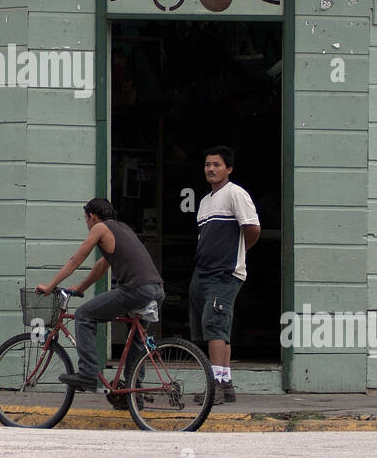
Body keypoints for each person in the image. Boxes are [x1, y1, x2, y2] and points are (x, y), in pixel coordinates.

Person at [36, 198, 165, 404]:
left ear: (92, 217)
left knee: (83, 315)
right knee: (136, 342)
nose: (87, 224)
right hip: (156, 290)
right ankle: (134, 395)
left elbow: (75, 261)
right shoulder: (122, 229)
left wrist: (50, 286)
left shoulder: (99, 228)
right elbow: (102, 266)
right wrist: (80, 288)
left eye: (86, 219)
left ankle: (88, 374)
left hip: (136, 289)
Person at [190, 146, 260, 403]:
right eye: (208, 164)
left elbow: (252, 229)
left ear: (228, 169)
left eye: (217, 165)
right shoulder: (205, 201)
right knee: (217, 329)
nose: (211, 169)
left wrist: (237, 254)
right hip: (203, 274)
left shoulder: (235, 194)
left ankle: (215, 387)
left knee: (215, 329)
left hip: (224, 274)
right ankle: (226, 385)